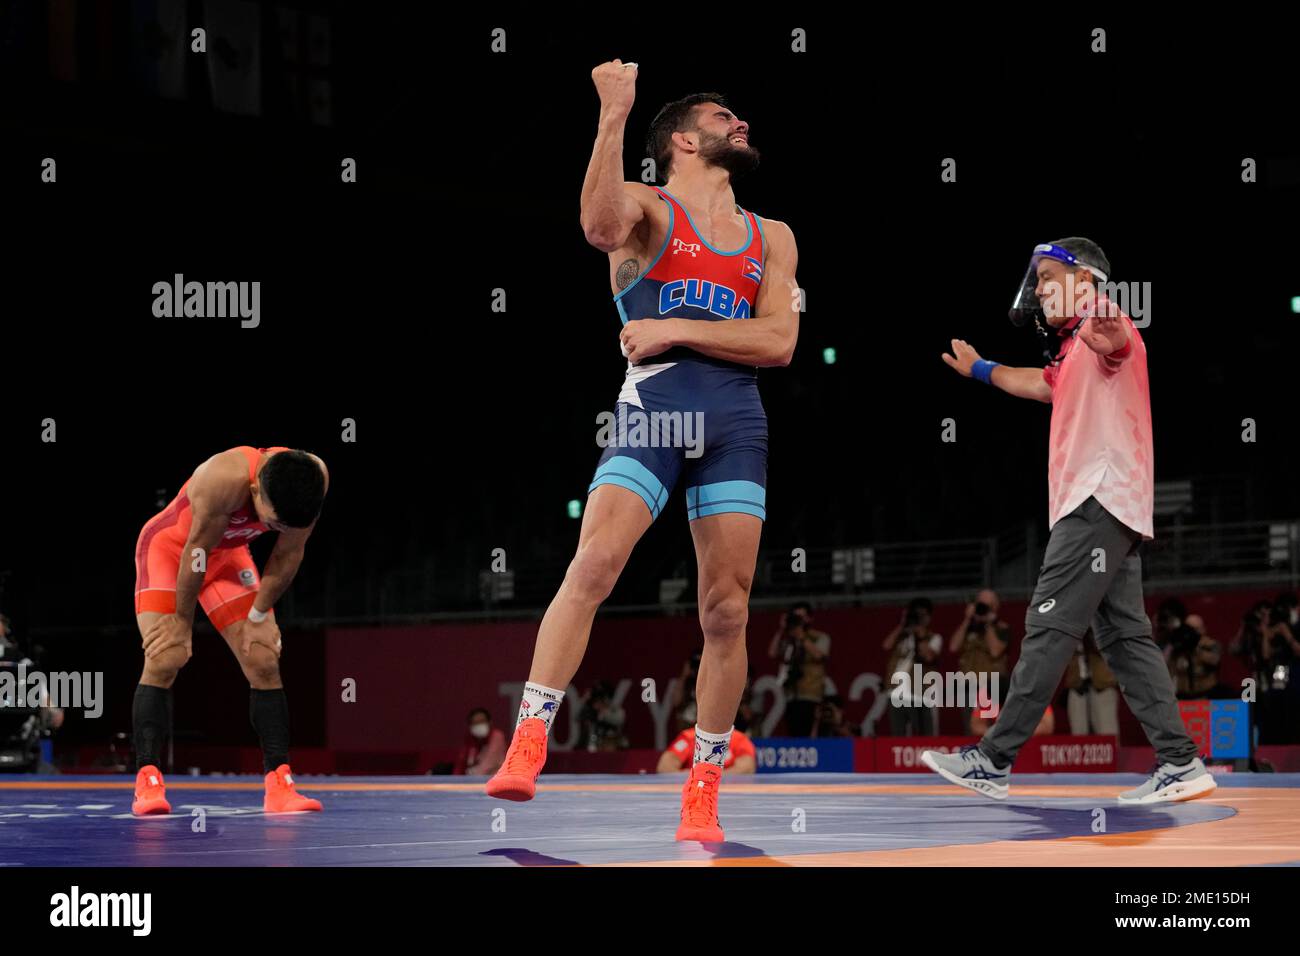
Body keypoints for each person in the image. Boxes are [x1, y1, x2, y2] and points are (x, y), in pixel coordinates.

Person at [486, 62, 800, 844]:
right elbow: (597, 227)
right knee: (595, 563)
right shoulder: (646, 208)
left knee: (726, 610)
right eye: (724, 117)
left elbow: (780, 341)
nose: (741, 124)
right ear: (683, 141)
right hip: (655, 410)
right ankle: (530, 736)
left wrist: (676, 327)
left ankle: (704, 783)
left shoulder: (773, 237)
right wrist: (613, 113)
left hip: (736, 420)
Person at [926, 239, 1213, 804]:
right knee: (1125, 638)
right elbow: (1038, 383)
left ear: (1084, 281)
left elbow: (1118, 337)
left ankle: (994, 759)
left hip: (1095, 501)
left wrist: (1105, 321)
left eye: (1048, 277)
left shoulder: (1102, 323)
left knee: (1049, 624)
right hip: (1112, 506)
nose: (1037, 289)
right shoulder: (1071, 353)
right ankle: (1181, 763)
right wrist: (980, 369)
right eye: (1036, 279)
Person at [131, 446, 327, 815]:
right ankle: (148, 781)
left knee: (263, 658)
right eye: (273, 523)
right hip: (173, 550)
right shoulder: (222, 477)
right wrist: (182, 621)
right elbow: (196, 552)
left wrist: (258, 615)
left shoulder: (311, 478)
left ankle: (279, 785)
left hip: (228, 556)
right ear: (254, 490)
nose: (277, 531)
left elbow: (287, 554)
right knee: (167, 655)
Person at [768, 602, 830, 735]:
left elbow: (819, 655)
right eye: (795, 617)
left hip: (811, 694)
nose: (799, 620)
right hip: (791, 694)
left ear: (810, 618)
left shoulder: (819, 637)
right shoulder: (789, 639)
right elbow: (772, 653)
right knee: (794, 735)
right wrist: (781, 629)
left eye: (801, 617)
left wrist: (801, 636)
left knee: (809, 735)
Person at [658, 724, 756, 774]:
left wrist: (711, 777)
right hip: (695, 791)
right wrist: (695, 777)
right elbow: (664, 766)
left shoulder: (739, 739)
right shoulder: (688, 737)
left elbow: (747, 768)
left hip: (730, 793)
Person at [453, 708, 507, 776]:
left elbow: (489, 763)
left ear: (490, 722)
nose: (479, 725)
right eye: (475, 723)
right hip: (473, 778)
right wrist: (456, 778)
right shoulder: (470, 740)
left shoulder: (497, 736)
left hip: (493, 777)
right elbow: (461, 764)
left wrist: (471, 776)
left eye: (482, 721)